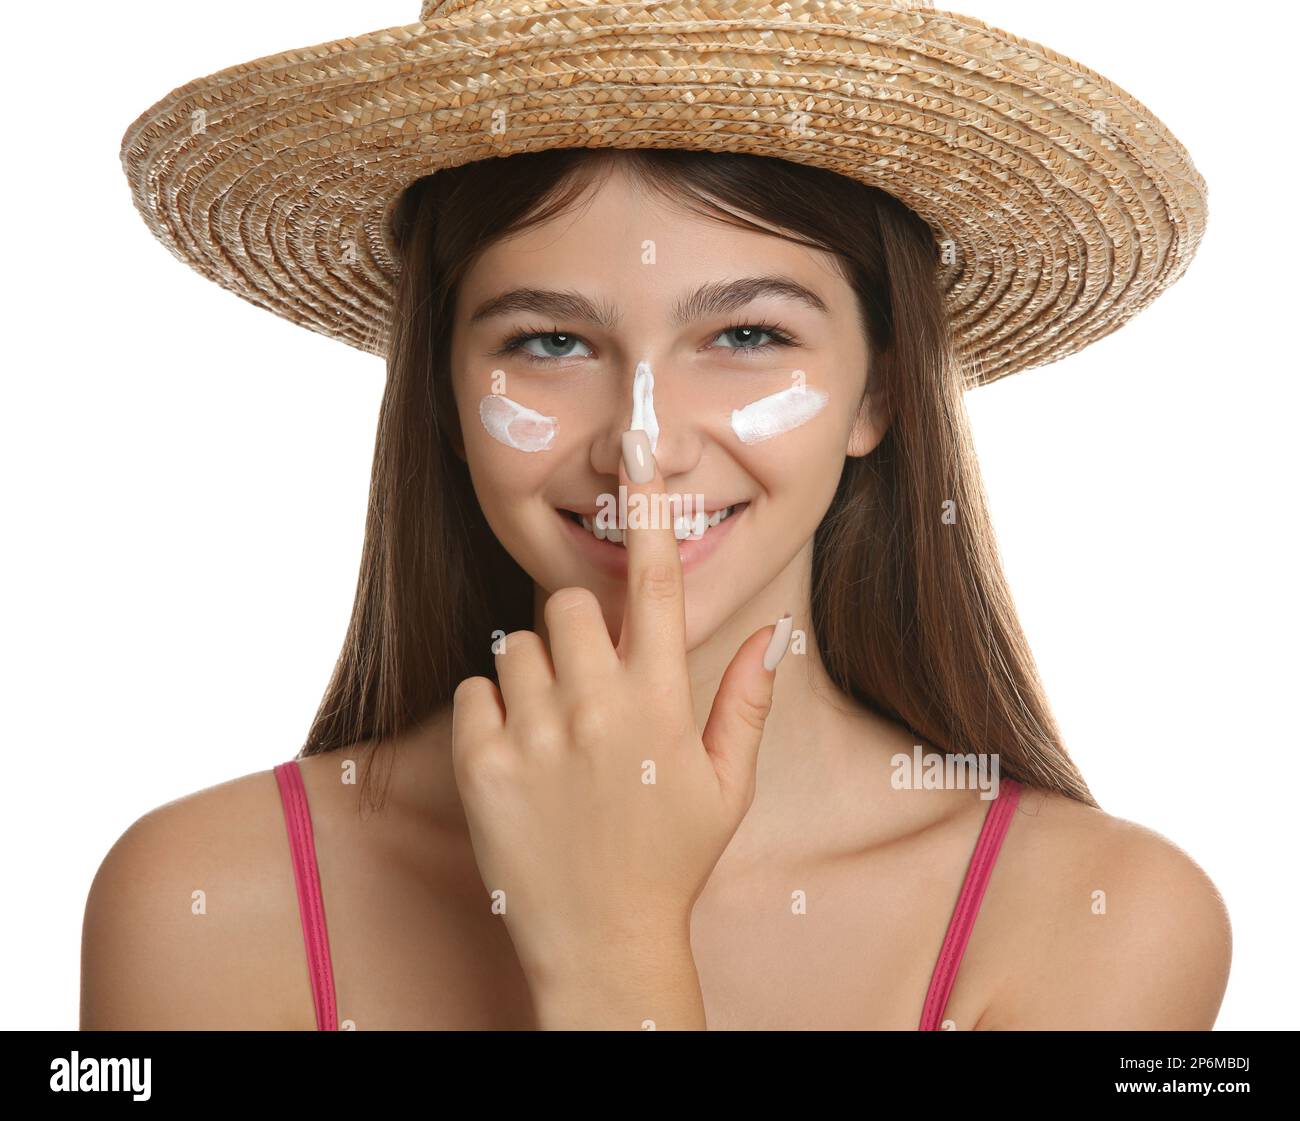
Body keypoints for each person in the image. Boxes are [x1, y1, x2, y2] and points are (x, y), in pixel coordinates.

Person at [84, 1, 1231, 1030]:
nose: (643, 440)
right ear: (442, 392)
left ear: (879, 388)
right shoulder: (201, 897)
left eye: (745, 336)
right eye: (549, 341)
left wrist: (611, 951)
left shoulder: (1105, 922)